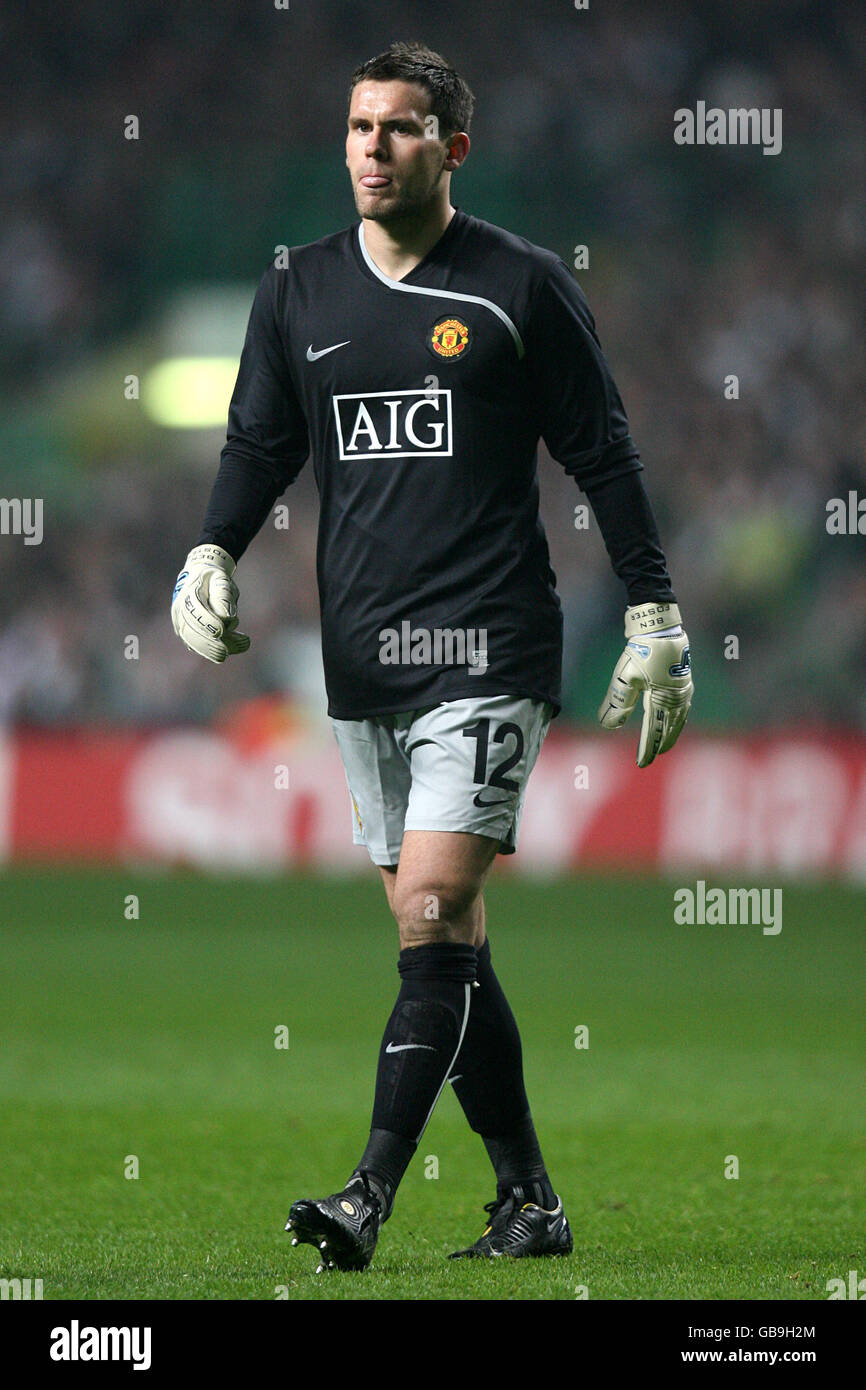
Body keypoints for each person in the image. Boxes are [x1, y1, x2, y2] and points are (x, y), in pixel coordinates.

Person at [171, 41, 692, 1272]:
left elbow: (602, 453)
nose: (369, 148)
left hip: (487, 644)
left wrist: (655, 613)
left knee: (434, 903)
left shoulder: (517, 284)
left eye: (398, 129)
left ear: (451, 148)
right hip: (363, 658)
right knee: (439, 939)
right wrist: (209, 550)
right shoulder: (295, 289)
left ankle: (364, 1195)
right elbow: (257, 442)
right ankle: (528, 1201)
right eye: (357, 127)